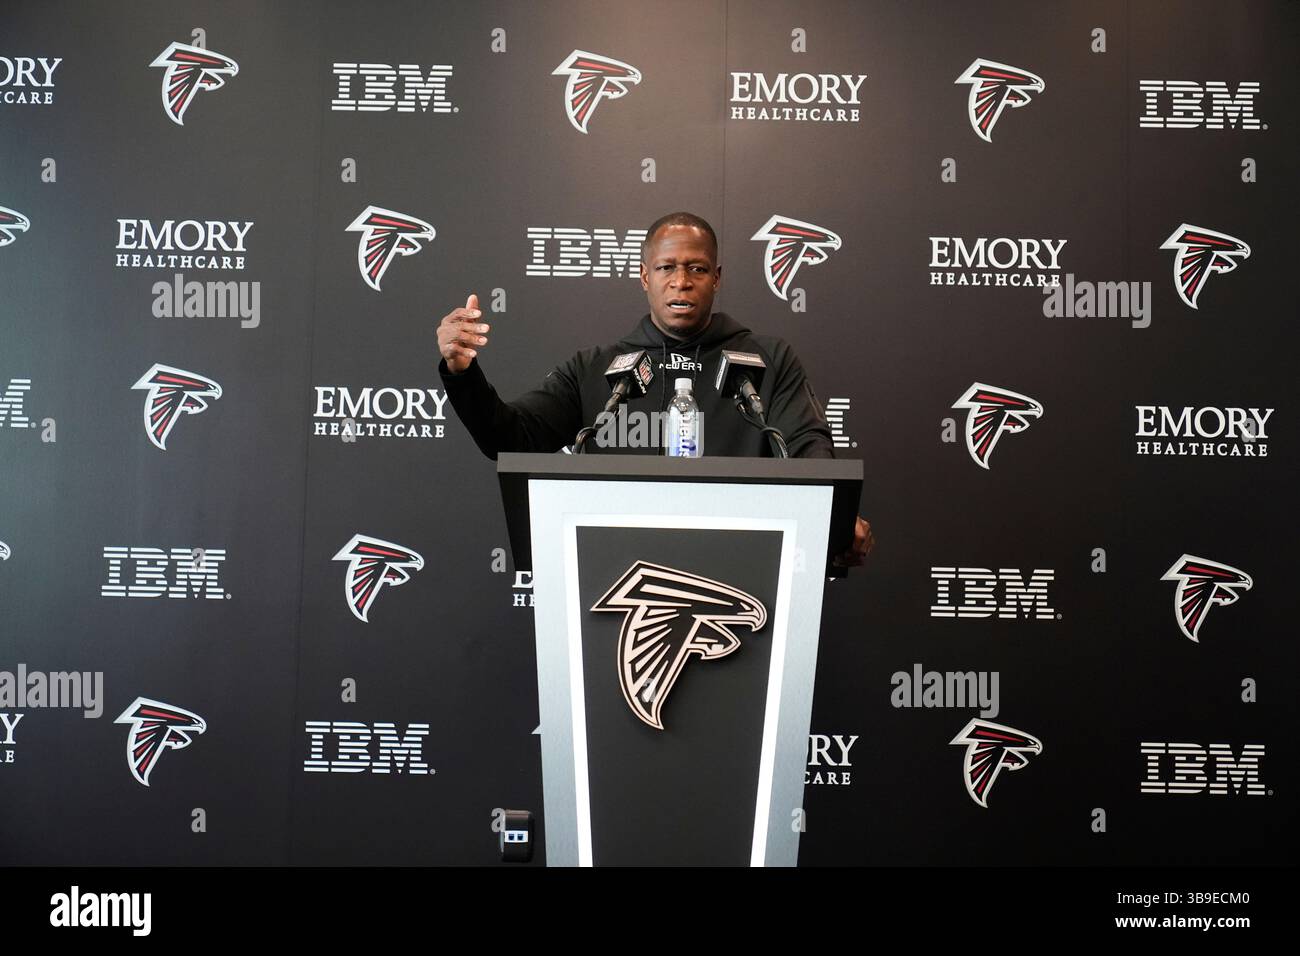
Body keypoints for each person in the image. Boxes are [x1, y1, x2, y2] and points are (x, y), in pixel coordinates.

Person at [436, 212, 873, 565]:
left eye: (696, 269)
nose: (680, 281)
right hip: (616, 569)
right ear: (645, 277)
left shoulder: (768, 359)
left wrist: (834, 516)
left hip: (743, 564)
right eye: (666, 268)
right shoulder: (595, 368)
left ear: (716, 278)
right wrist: (462, 373)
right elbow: (511, 437)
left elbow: (807, 446)